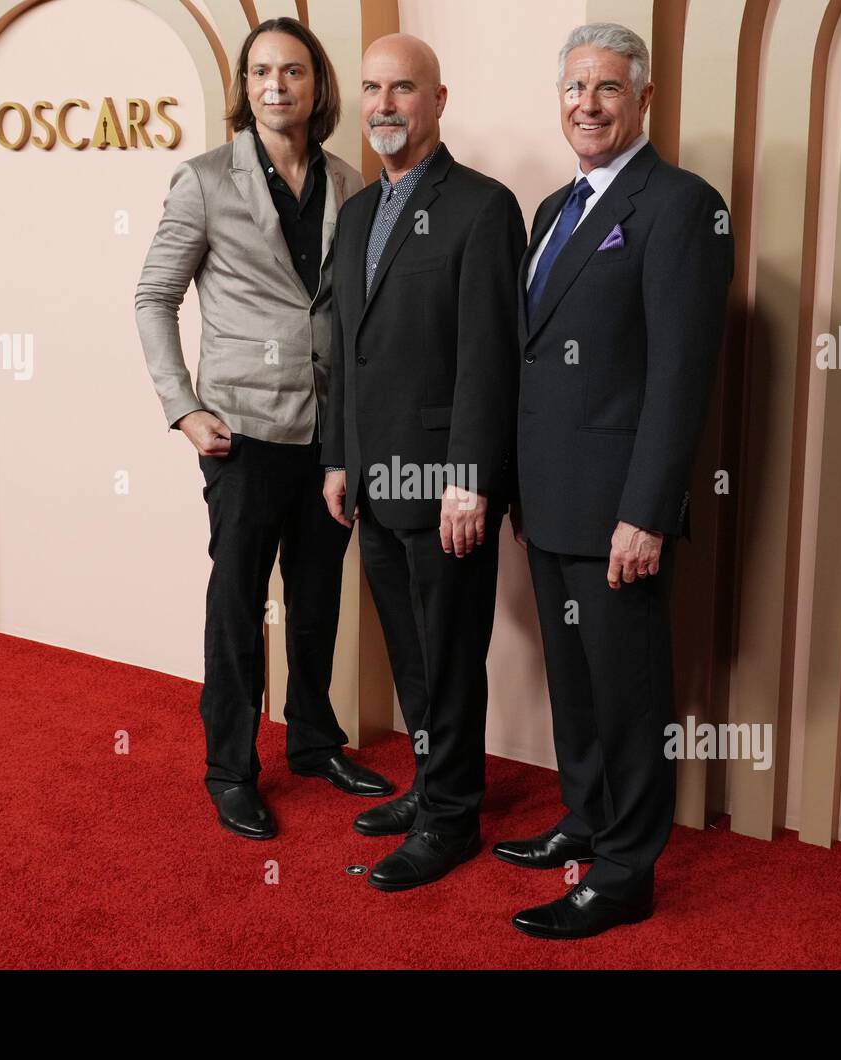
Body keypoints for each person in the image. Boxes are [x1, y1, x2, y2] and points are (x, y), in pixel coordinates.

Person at [496, 22, 734, 938]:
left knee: (628, 695)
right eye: (572, 89)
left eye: (605, 89)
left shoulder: (679, 205)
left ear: (642, 99)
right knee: (576, 684)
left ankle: (627, 870)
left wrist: (647, 512)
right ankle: (587, 821)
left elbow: (680, 375)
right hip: (549, 504)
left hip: (618, 513)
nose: (585, 105)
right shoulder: (555, 205)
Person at [134, 17, 392, 842]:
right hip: (240, 434)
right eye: (259, 73)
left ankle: (316, 743)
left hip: (327, 436)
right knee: (239, 606)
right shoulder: (204, 181)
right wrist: (183, 407)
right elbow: (153, 297)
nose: (276, 85)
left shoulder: (353, 183)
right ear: (244, 90)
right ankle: (230, 769)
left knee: (317, 601)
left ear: (318, 86)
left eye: (292, 72)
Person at [321, 33, 526, 890]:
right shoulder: (361, 211)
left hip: (446, 488)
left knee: (449, 655)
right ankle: (433, 781)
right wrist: (339, 460)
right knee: (411, 657)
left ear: (439, 101)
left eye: (403, 88)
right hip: (373, 483)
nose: (384, 105)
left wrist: (472, 480)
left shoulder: (484, 207)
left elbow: (491, 359)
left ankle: (451, 818)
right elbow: (344, 348)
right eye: (371, 88)